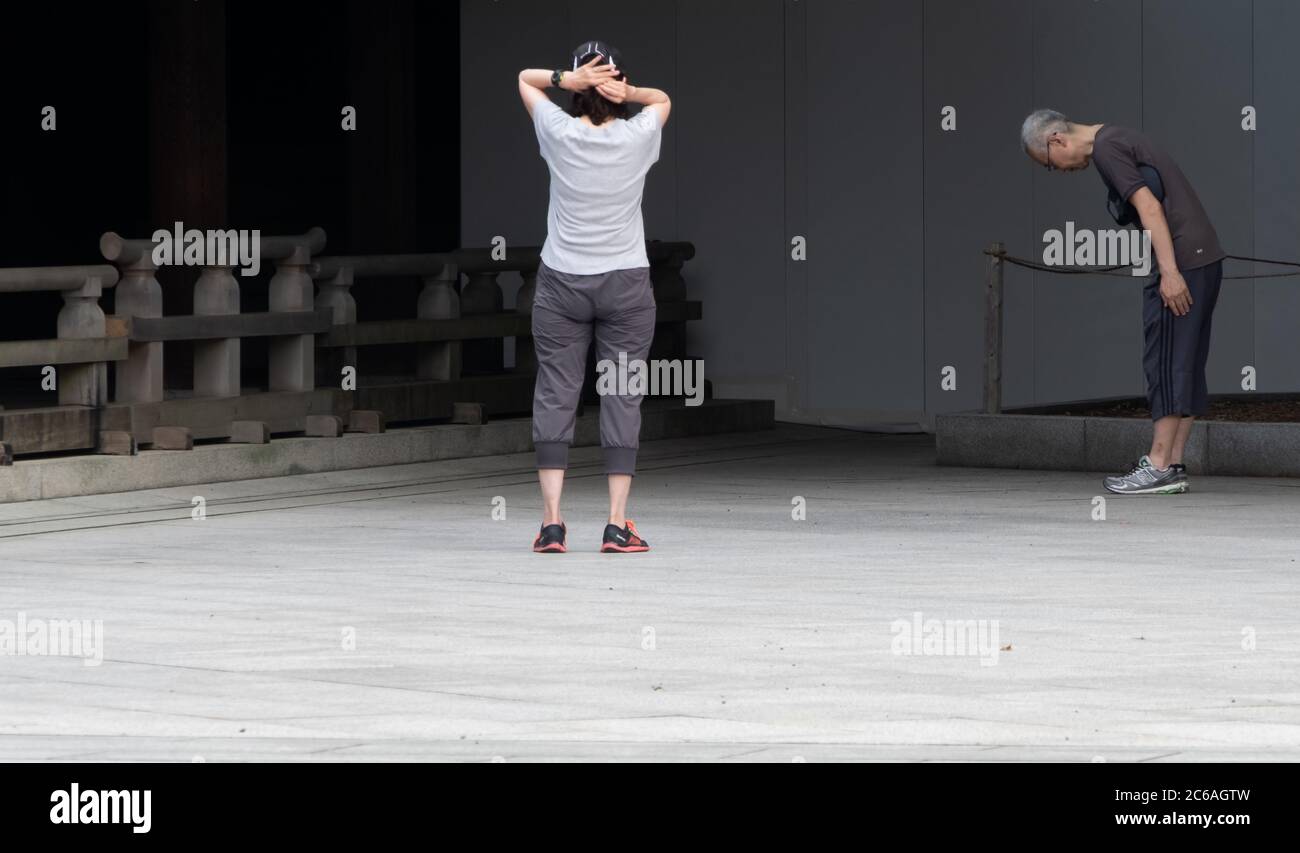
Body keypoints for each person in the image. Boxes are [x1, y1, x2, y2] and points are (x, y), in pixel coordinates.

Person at [1020, 110, 1225, 495]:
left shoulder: (1106, 149)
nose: (1058, 171)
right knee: (1187, 360)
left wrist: (1169, 272)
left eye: (1049, 165)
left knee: (1163, 359)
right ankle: (1174, 465)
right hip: (1205, 255)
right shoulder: (1119, 135)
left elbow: (1149, 208)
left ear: (1056, 140)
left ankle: (1159, 463)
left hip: (1182, 258)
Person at [517, 41, 672, 551]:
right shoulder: (637, 134)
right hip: (626, 283)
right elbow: (662, 99)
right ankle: (616, 523)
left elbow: (525, 78)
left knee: (556, 391)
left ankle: (552, 524)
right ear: (617, 88)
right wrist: (628, 90)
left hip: (562, 280)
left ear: (578, 91)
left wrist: (567, 79)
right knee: (622, 392)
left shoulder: (558, 132)